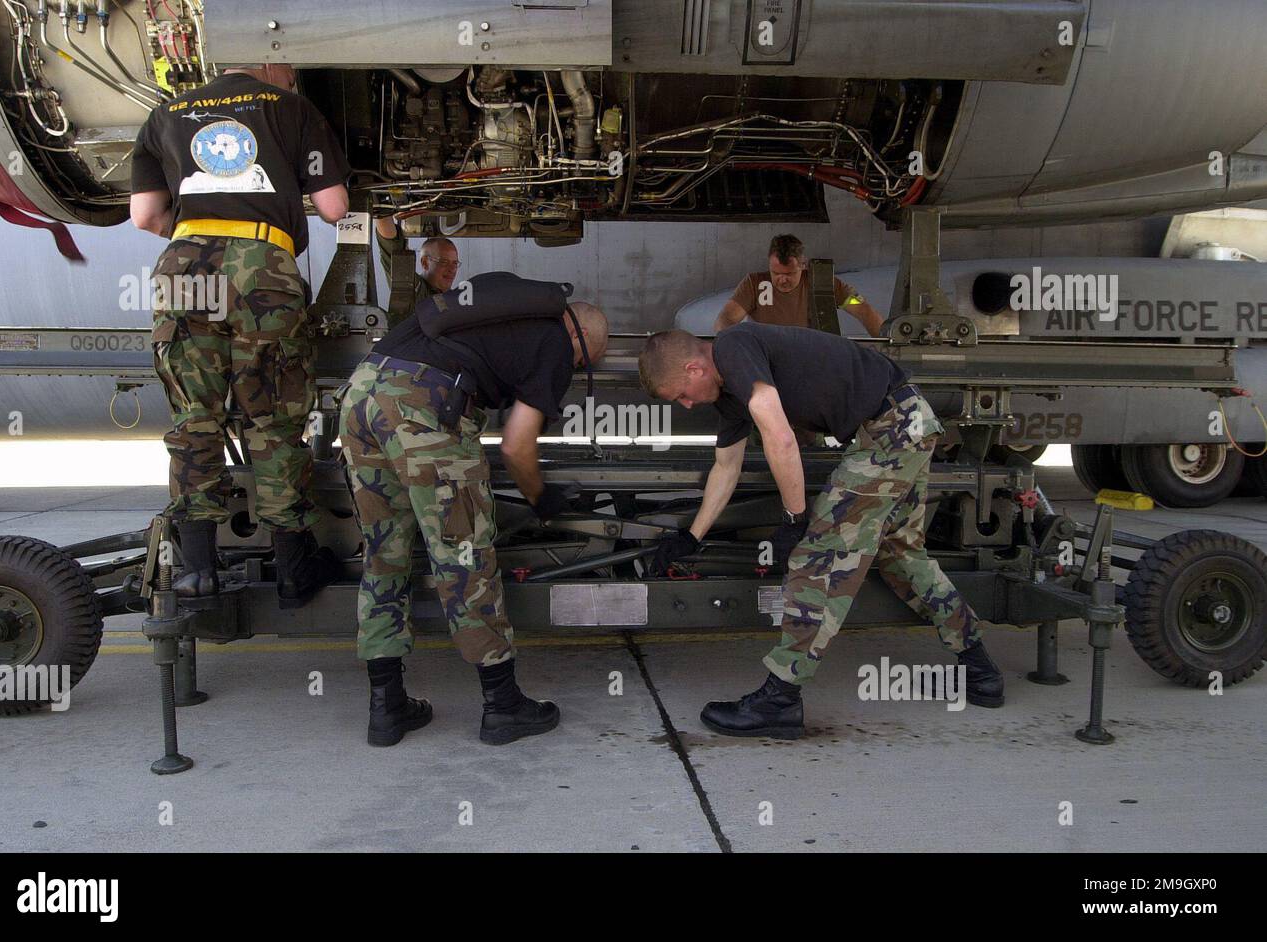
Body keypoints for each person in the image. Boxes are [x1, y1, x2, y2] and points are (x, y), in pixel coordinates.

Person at [638, 323, 1004, 738]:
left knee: (818, 559)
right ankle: (980, 671)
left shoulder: (733, 348)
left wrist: (794, 519)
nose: (687, 405)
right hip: (906, 422)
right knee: (900, 553)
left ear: (694, 368)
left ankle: (780, 699)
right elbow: (726, 467)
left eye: (681, 395)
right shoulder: (731, 394)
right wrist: (692, 536)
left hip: (890, 429)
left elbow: (780, 437)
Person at [338, 276, 609, 746]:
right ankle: (503, 707)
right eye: (584, 361)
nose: (575, 367)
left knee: (383, 553)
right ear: (580, 336)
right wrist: (539, 497)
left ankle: (386, 708)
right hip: (422, 408)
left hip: (359, 395)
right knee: (464, 559)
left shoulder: (492, 313)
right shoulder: (555, 341)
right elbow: (517, 446)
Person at [130, 63, 351, 608]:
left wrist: (200, 230)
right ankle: (294, 571)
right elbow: (334, 208)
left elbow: (144, 216)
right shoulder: (292, 107)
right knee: (273, 420)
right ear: (270, 62)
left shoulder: (165, 114)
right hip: (262, 265)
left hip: (183, 264)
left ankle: (198, 571)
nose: (292, 74)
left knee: (194, 418)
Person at [714, 233, 884, 337]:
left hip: (809, 357)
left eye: (789, 274)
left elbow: (862, 309)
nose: (782, 280)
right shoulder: (754, 284)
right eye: (776, 273)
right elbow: (726, 319)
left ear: (803, 266)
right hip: (766, 357)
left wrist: (884, 347)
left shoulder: (822, 283)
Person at [374, 218, 461, 327]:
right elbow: (392, 248)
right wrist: (382, 214)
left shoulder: (456, 299)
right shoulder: (415, 289)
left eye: (455, 263)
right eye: (444, 262)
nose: (452, 269)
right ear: (425, 263)